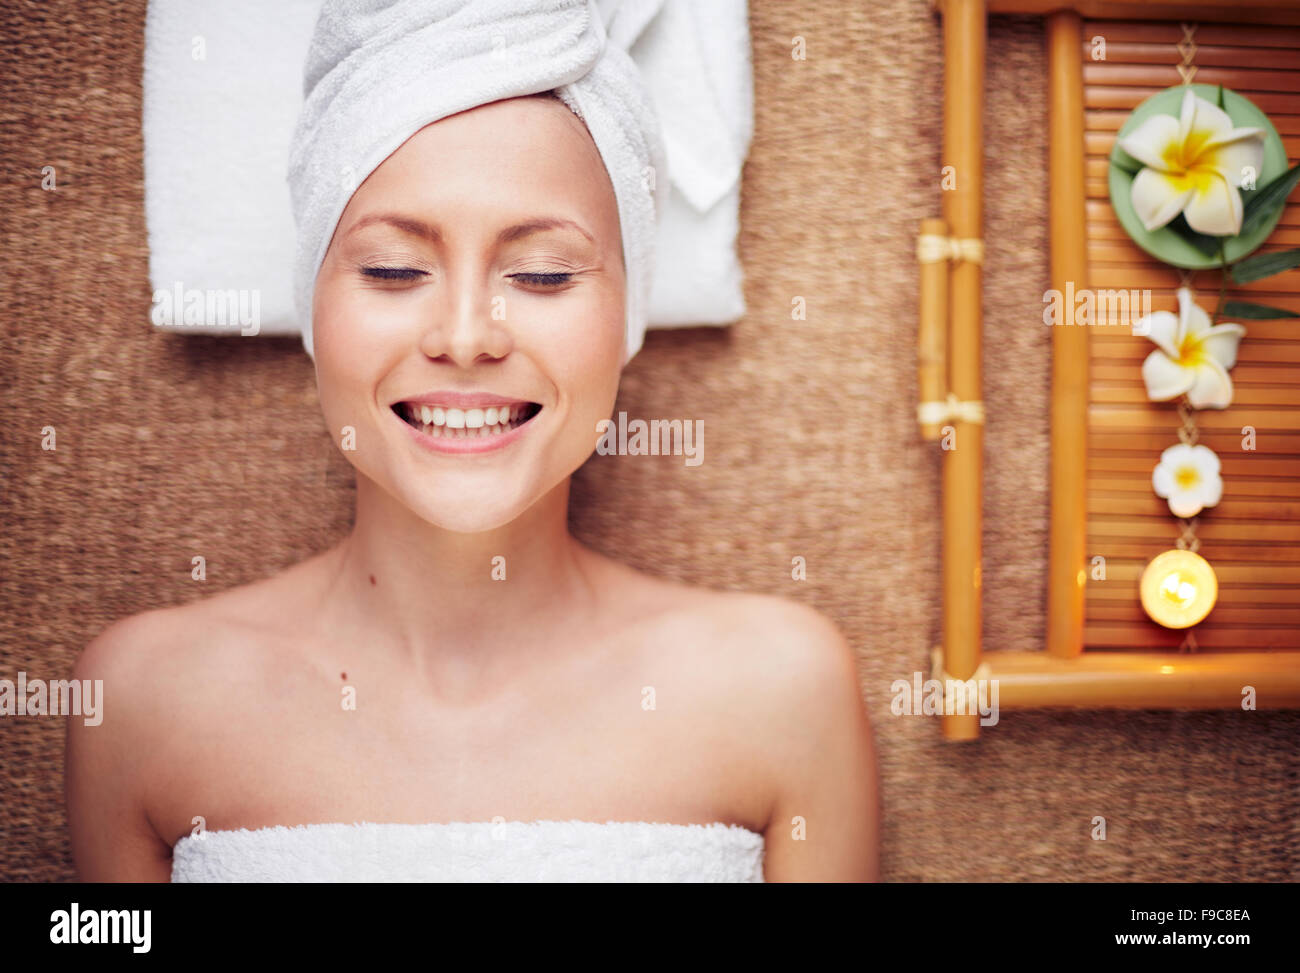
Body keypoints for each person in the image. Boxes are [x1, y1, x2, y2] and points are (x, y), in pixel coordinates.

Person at [67, 12, 877, 885]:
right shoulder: (143, 702)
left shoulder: (783, 692)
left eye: (541, 274)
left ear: (626, 318)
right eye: (391, 270)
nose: (465, 336)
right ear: (313, 307)